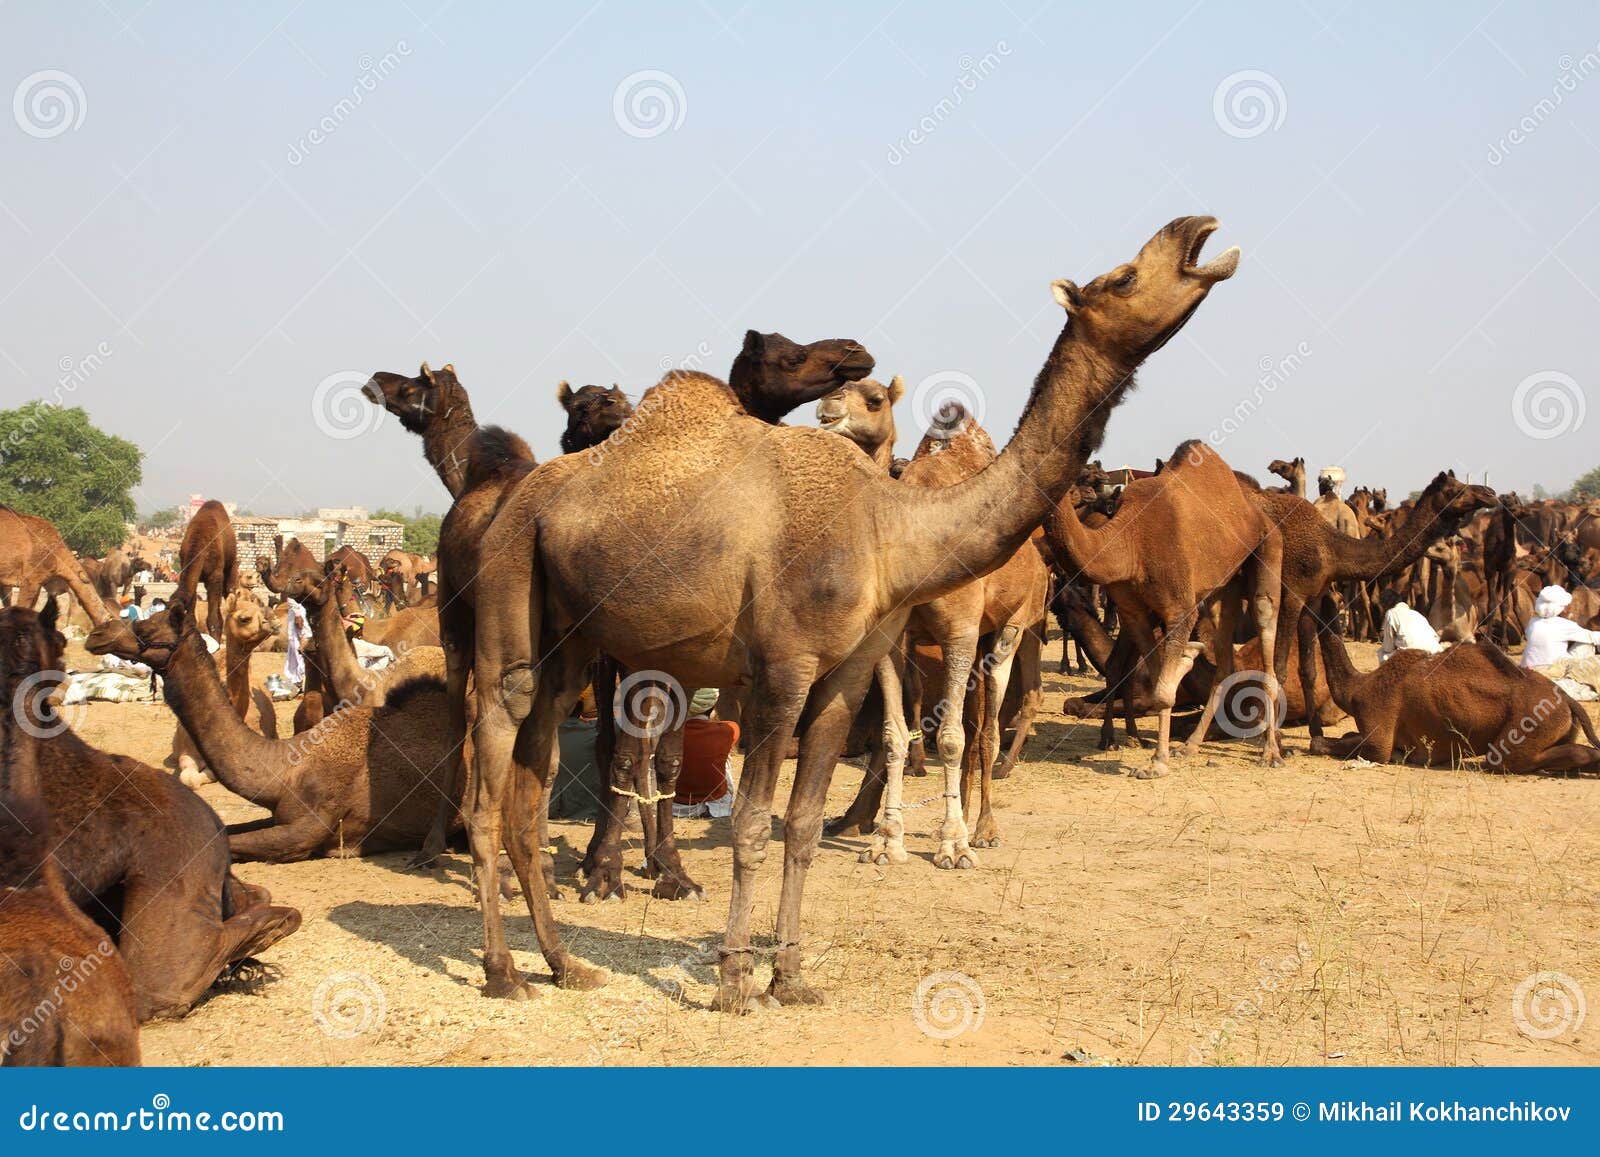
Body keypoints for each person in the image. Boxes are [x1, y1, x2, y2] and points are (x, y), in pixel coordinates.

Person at [673, 688, 739, 819]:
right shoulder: (729, 729)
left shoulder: (668, 734)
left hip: (674, 806)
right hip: (715, 806)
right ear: (713, 706)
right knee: (724, 754)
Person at [1521, 585, 1600, 669]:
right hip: (1552, 669)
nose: (1570, 609)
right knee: (1587, 644)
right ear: (1560, 608)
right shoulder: (1565, 625)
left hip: (1527, 667)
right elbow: (1593, 637)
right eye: (1566, 606)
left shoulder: (1532, 622)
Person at [1378, 589, 1442, 661]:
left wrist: (1395, 643)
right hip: (1436, 652)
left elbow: (1388, 647)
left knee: (1381, 653)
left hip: (1414, 653)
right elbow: (1436, 637)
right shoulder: (1417, 614)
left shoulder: (1391, 613)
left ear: (1385, 605)